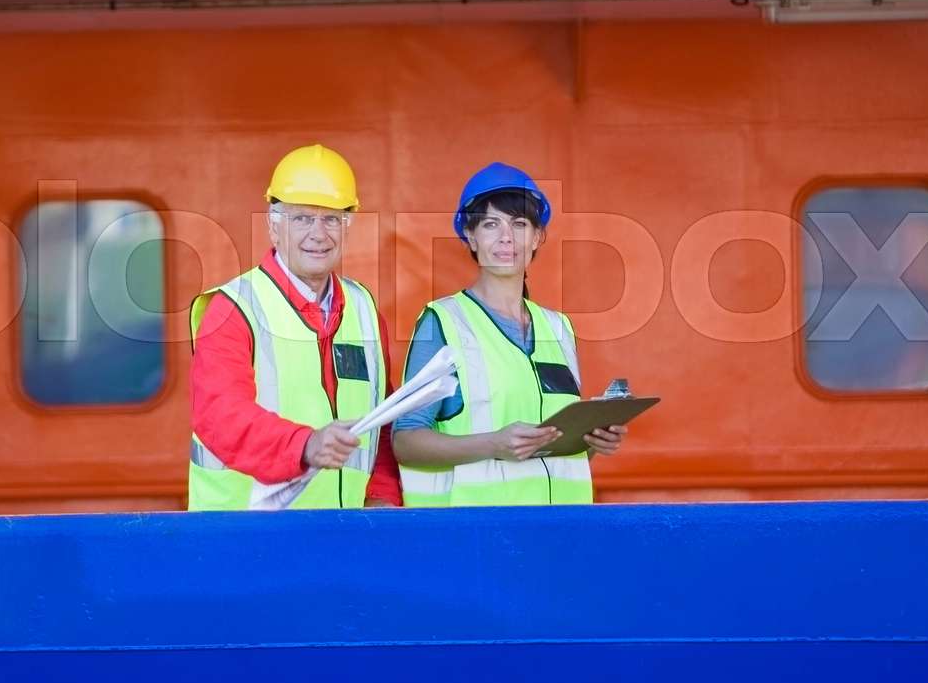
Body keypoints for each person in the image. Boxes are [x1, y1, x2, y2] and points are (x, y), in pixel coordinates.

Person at [392, 162, 623, 506]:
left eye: (519, 224)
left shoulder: (558, 329)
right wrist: (493, 444)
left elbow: (553, 455)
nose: (506, 237)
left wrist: (591, 441)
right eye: (490, 224)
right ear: (470, 236)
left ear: (537, 237)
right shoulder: (442, 322)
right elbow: (405, 442)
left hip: (561, 526)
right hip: (480, 528)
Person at [188, 144, 401, 510]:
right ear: (273, 227)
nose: (318, 234)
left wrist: (382, 498)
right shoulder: (234, 308)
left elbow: (379, 424)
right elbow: (221, 416)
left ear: (347, 227)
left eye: (331, 219)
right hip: (247, 533)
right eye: (302, 218)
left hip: (342, 532)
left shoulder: (363, 308)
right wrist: (304, 445)